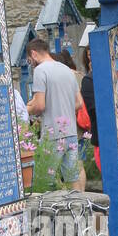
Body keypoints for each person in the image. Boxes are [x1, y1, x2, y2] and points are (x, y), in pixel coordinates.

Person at [26, 37, 85, 191]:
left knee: (45, 181)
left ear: (33, 54)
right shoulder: (66, 69)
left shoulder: (40, 71)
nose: (30, 64)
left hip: (53, 133)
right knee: (73, 178)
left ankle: (49, 214)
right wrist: (62, 107)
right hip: (71, 132)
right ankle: (81, 212)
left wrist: (24, 110)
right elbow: (79, 102)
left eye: (29, 60)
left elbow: (39, 105)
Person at [80, 47, 101, 174]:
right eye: (89, 55)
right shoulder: (89, 79)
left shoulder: (89, 80)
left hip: (101, 136)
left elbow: (93, 109)